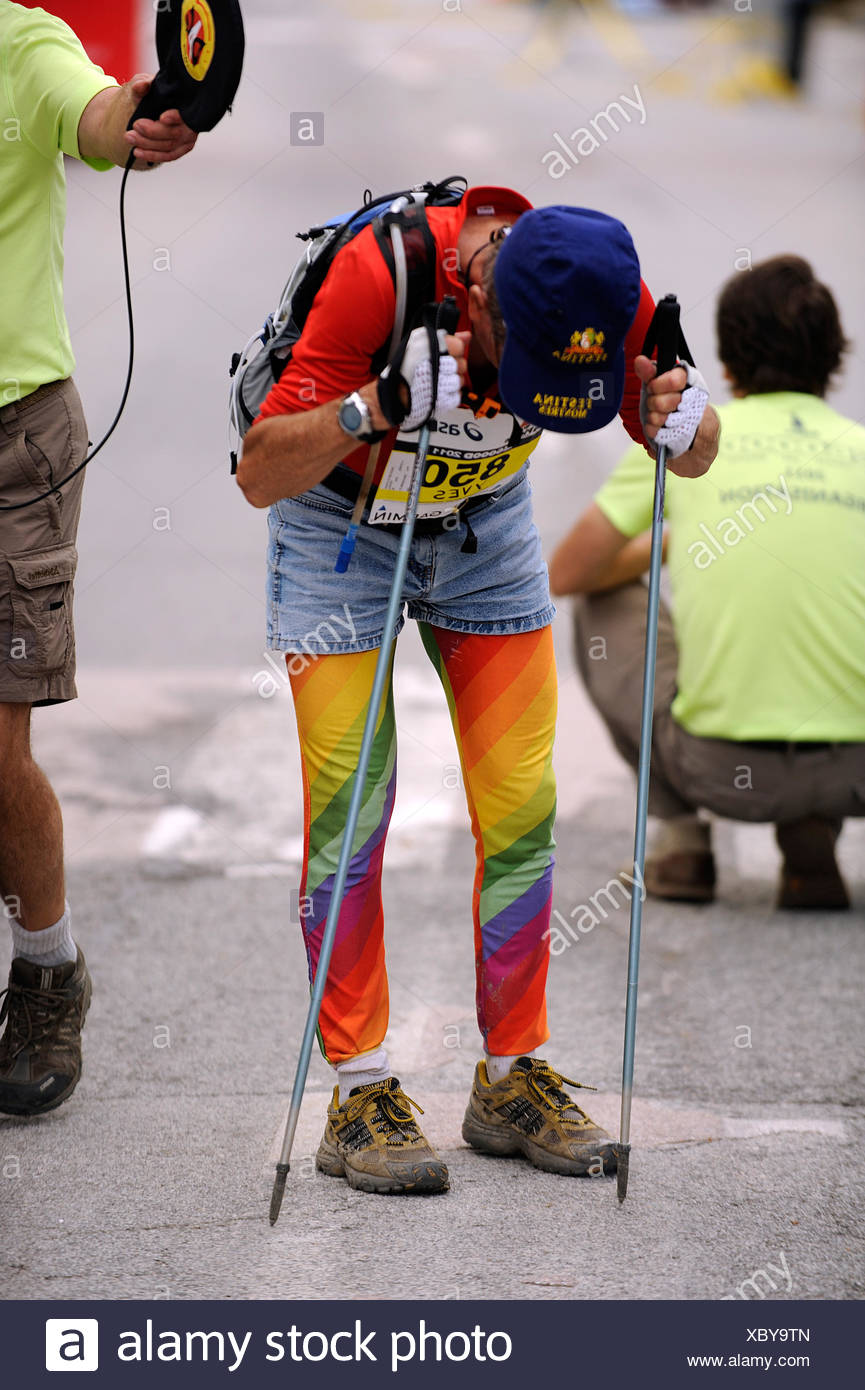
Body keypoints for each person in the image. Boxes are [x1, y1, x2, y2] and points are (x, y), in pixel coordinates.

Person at [237, 190, 719, 1194]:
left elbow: (689, 445)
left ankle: (511, 1078)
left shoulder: (596, 285)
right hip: (338, 526)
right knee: (350, 815)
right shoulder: (382, 276)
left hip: (482, 526)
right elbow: (257, 473)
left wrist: (689, 419)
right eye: (522, 371)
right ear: (483, 301)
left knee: (521, 809)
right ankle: (358, 1089)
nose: (524, 394)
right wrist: (372, 408)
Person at [0, 2, 198, 1117]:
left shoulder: (21, 44)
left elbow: (98, 113)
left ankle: (47, 969)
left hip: (13, 439)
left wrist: (149, 115)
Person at [550, 254, 864, 910]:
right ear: (834, 359)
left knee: (601, 596)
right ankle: (811, 838)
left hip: (720, 774)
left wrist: (669, 541)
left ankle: (683, 839)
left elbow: (567, 573)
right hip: (854, 773)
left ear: (723, 365)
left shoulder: (690, 440)